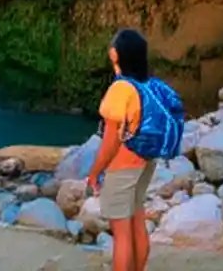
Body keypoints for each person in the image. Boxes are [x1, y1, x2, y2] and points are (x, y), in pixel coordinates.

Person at [86, 28, 156, 271]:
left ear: (116, 54)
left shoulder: (120, 89)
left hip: (123, 165)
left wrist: (95, 172)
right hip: (146, 161)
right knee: (137, 221)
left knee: (122, 234)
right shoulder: (148, 85)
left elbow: (110, 142)